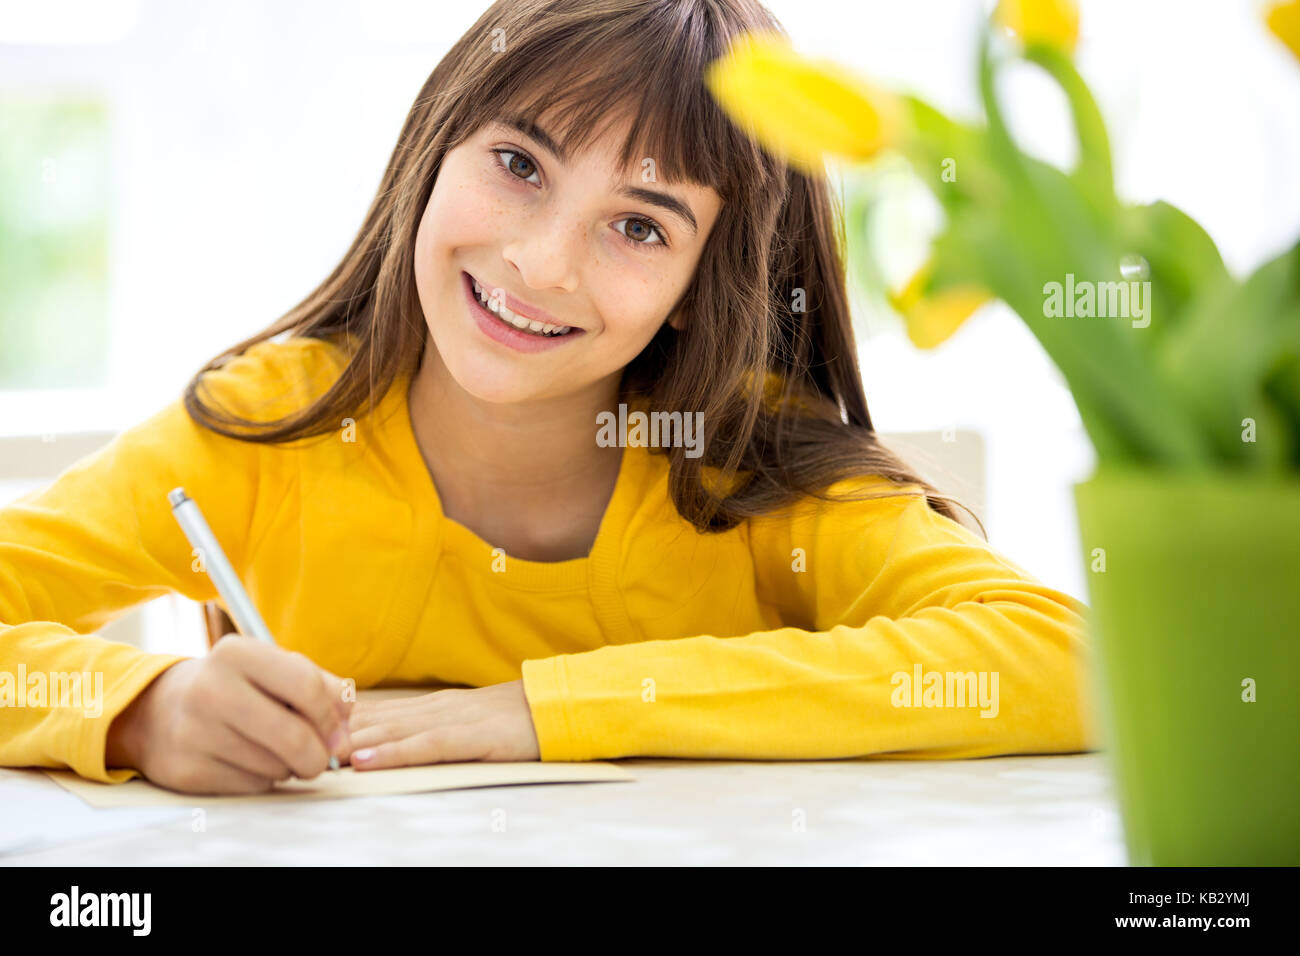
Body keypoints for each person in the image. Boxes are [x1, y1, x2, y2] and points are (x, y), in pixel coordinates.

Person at [0, 0, 1095, 795]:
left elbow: (1071, 663)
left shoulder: (750, 469)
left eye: (639, 225)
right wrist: (145, 710)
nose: (539, 262)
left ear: (693, 285)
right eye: (520, 163)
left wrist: (545, 710)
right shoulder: (273, 427)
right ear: (436, 148)